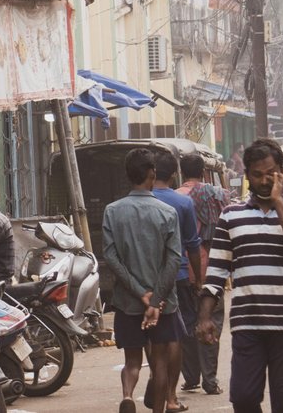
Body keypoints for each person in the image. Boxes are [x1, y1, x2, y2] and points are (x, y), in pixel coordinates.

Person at [198, 138, 283, 413]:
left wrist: (277, 203)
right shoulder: (230, 216)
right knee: (244, 398)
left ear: (282, 173)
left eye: (270, 174)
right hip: (247, 323)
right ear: (247, 175)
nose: (264, 181)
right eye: (257, 175)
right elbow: (215, 272)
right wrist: (204, 317)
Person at [103, 148, 183, 413]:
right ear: (153, 174)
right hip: (163, 305)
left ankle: (127, 395)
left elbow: (111, 258)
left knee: (132, 360)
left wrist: (139, 293)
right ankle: (158, 410)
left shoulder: (112, 212)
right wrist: (155, 298)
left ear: (128, 175)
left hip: (128, 302)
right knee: (159, 362)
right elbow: (173, 260)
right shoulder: (167, 213)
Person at [149, 150, 202, 412]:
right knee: (175, 337)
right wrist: (198, 279)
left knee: (151, 335)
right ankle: (169, 394)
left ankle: (156, 385)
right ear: (174, 174)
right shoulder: (182, 203)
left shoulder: (138, 202)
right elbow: (193, 245)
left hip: (145, 280)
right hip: (178, 276)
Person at [178, 153, 229, 396]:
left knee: (188, 322)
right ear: (203, 171)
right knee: (212, 321)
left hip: (181, 269)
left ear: (181, 171)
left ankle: (191, 378)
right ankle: (210, 380)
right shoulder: (217, 195)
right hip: (213, 267)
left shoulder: (175, 197)